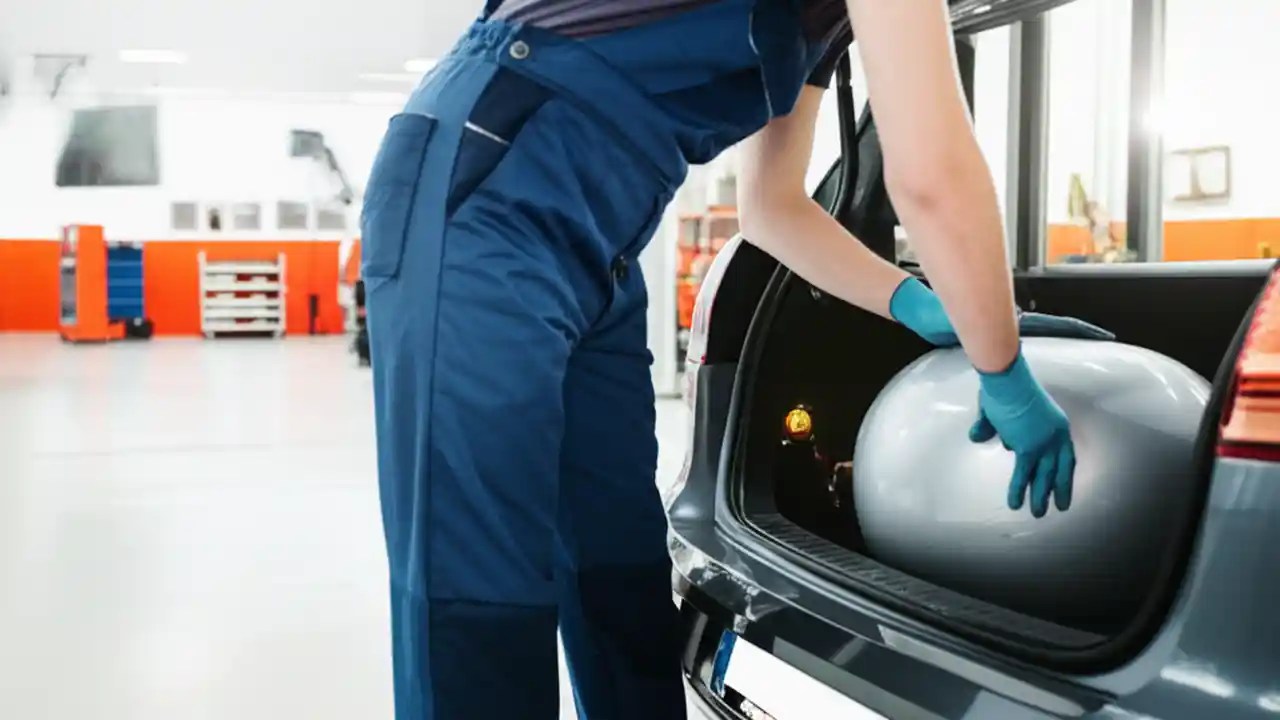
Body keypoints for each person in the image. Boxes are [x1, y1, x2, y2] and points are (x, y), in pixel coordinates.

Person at [361, 1, 1112, 718]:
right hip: (488, 186)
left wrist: (916, 302)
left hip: (606, 230)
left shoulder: (825, 22)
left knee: (616, 573)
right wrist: (1001, 368)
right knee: (477, 594)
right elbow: (931, 177)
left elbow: (773, 206)